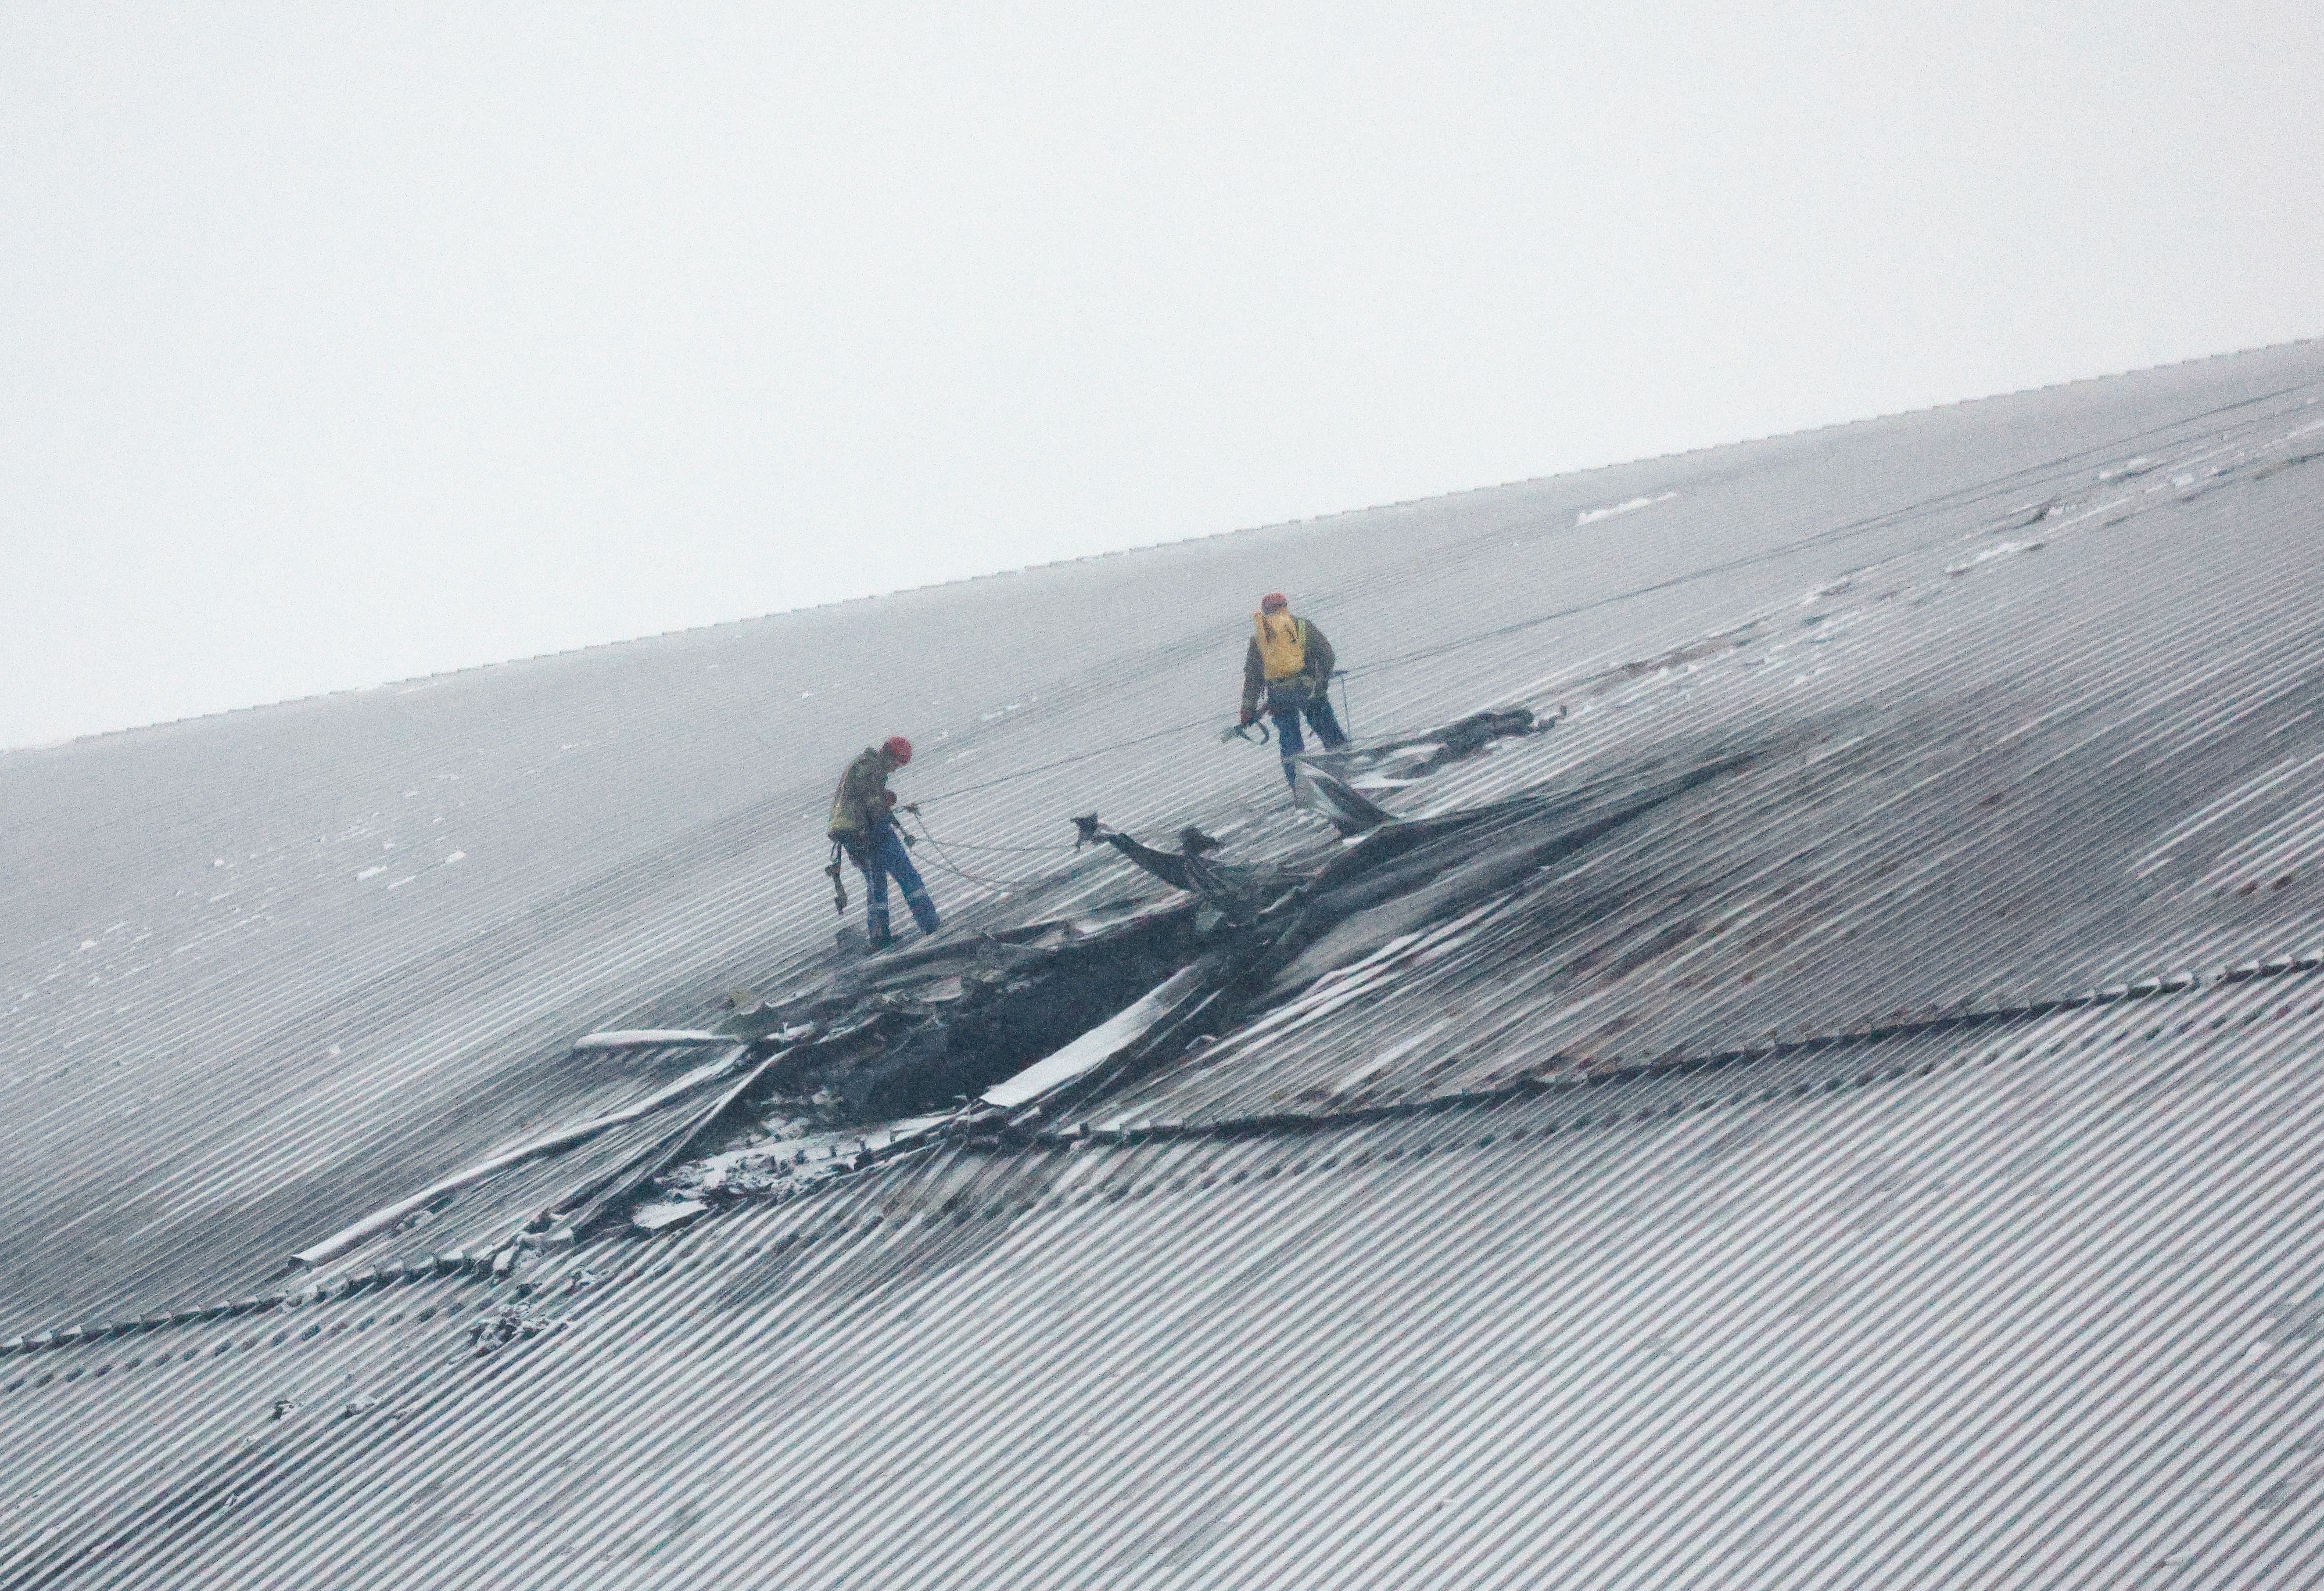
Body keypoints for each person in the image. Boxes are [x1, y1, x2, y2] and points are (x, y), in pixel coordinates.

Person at [827, 735, 939, 950]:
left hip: (850, 835)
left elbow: (860, 798)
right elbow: (872, 806)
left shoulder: (861, 765)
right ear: (891, 756)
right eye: (898, 763)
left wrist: (884, 799)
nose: (896, 769)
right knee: (907, 875)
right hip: (868, 832)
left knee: (876, 883)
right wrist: (887, 813)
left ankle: (879, 937)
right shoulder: (873, 769)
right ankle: (931, 924)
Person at [1239, 592, 1349, 789]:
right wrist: (1320, 685)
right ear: (1285, 606)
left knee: (1291, 743)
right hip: (1310, 692)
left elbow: (1253, 678)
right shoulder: (1303, 627)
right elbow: (1327, 656)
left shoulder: (1259, 638)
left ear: (1265, 612)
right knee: (1330, 734)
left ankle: (1299, 786)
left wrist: (1247, 709)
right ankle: (1347, 771)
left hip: (1279, 698)